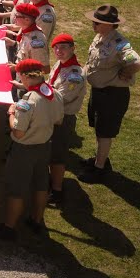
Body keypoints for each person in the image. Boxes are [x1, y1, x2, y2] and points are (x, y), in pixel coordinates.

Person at [0, 59, 63, 240]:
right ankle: (36, 220)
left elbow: (19, 132)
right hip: (44, 147)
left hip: (24, 150)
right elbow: (58, 120)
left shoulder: (26, 102)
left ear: (24, 75)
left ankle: (9, 227)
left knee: (16, 188)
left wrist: (11, 113)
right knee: (40, 185)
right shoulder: (54, 94)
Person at [81, 5, 140, 183]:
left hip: (112, 96)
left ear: (109, 25)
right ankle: (100, 158)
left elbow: (137, 62)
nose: (93, 24)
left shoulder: (120, 44)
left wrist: (126, 72)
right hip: (100, 93)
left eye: (97, 22)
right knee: (99, 129)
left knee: (105, 132)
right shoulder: (100, 36)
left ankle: (99, 169)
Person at [46, 33, 86, 205]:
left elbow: (61, 98)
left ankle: (57, 191)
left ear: (72, 48)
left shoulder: (74, 74)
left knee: (58, 155)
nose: (58, 51)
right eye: (55, 47)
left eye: (63, 47)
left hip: (63, 118)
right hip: (53, 115)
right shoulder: (60, 65)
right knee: (51, 151)